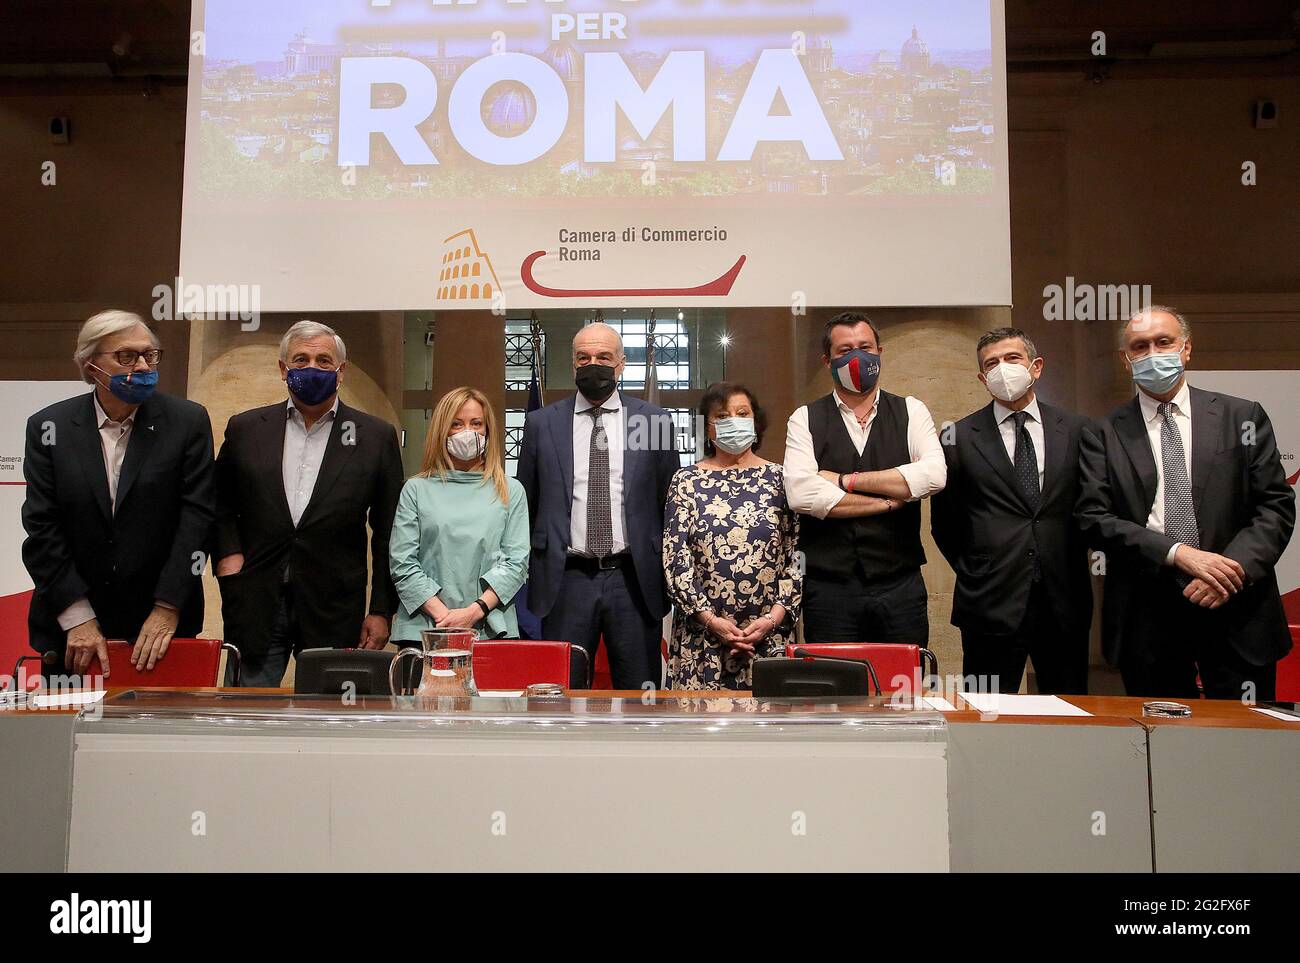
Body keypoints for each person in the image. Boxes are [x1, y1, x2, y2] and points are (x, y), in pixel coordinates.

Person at [1076, 306, 1295, 699]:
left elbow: (1274, 505)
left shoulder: (1241, 416)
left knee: (1247, 745)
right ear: (1127, 361)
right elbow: (1094, 518)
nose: (1153, 353)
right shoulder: (1102, 432)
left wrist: (1231, 571)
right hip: (1148, 613)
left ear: (1187, 349)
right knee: (1163, 746)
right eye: (1140, 347)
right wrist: (1179, 554)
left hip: (1237, 606)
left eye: (1164, 342)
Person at [22, 309, 215, 678]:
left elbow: (198, 518)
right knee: (70, 734)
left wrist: (167, 607)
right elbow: (42, 526)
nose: (142, 366)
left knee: (156, 733)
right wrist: (77, 617)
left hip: (159, 628)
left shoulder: (187, 421)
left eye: (150, 354)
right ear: (91, 364)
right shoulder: (49, 426)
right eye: (126, 356)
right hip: (70, 629)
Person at [214, 320, 403, 686]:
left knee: (327, 722)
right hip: (255, 602)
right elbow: (219, 504)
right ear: (283, 368)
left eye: (323, 360)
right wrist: (227, 559)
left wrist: (381, 610)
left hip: (334, 608)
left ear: (341, 371)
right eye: (300, 360)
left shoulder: (376, 437)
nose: (311, 368)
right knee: (246, 716)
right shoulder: (246, 428)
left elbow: (388, 531)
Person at [516, 322, 680, 689]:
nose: (594, 364)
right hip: (565, 579)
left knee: (640, 693)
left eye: (604, 357)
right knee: (561, 692)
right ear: (573, 366)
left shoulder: (651, 421)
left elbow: (668, 502)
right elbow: (527, 499)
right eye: (584, 357)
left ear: (621, 364)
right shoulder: (542, 424)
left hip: (633, 579)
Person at [931, 327, 1094, 694]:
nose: (1002, 369)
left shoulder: (1078, 430)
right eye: (992, 363)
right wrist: (979, 568)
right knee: (988, 715)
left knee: (1069, 711)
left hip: (1064, 597)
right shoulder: (957, 438)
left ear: (1036, 367)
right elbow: (946, 524)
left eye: (1012, 358)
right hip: (989, 601)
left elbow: (1091, 508)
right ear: (981, 377)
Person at [784, 311, 946, 645]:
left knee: (905, 690)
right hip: (830, 590)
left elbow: (933, 475)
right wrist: (889, 501)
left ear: (879, 352)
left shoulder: (911, 411)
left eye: (865, 346)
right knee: (835, 691)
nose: (857, 356)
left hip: (899, 585)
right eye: (845, 351)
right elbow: (801, 494)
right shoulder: (805, 418)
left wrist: (844, 481)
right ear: (827, 360)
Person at [662, 383, 801, 689]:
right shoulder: (686, 481)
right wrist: (710, 620)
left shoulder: (781, 479)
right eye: (723, 416)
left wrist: (773, 618)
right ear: (708, 429)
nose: (734, 422)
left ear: (756, 421)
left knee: (771, 729)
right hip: (702, 639)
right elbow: (675, 558)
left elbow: (797, 555)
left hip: (769, 636)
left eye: (742, 413)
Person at [389, 387, 528, 644]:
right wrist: (445, 618)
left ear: (488, 430)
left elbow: (516, 563)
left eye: (476, 423)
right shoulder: (416, 489)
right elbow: (402, 563)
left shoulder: (511, 490)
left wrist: (473, 612)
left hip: (490, 627)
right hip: (425, 627)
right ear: (442, 430)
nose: (468, 432)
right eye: (456, 424)